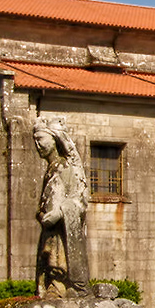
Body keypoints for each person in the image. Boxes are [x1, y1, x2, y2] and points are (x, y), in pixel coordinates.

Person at [33, 117, 89, 296]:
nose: (37, 145)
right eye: (35, 140)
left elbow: (78, 200)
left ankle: (59, 286)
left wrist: (59, 214)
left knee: (56, 265)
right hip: (50, 231)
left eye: (40, 139)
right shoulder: (52, 168)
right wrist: (42, 215)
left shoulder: (64, 167)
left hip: (60, 232)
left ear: (54, 139)